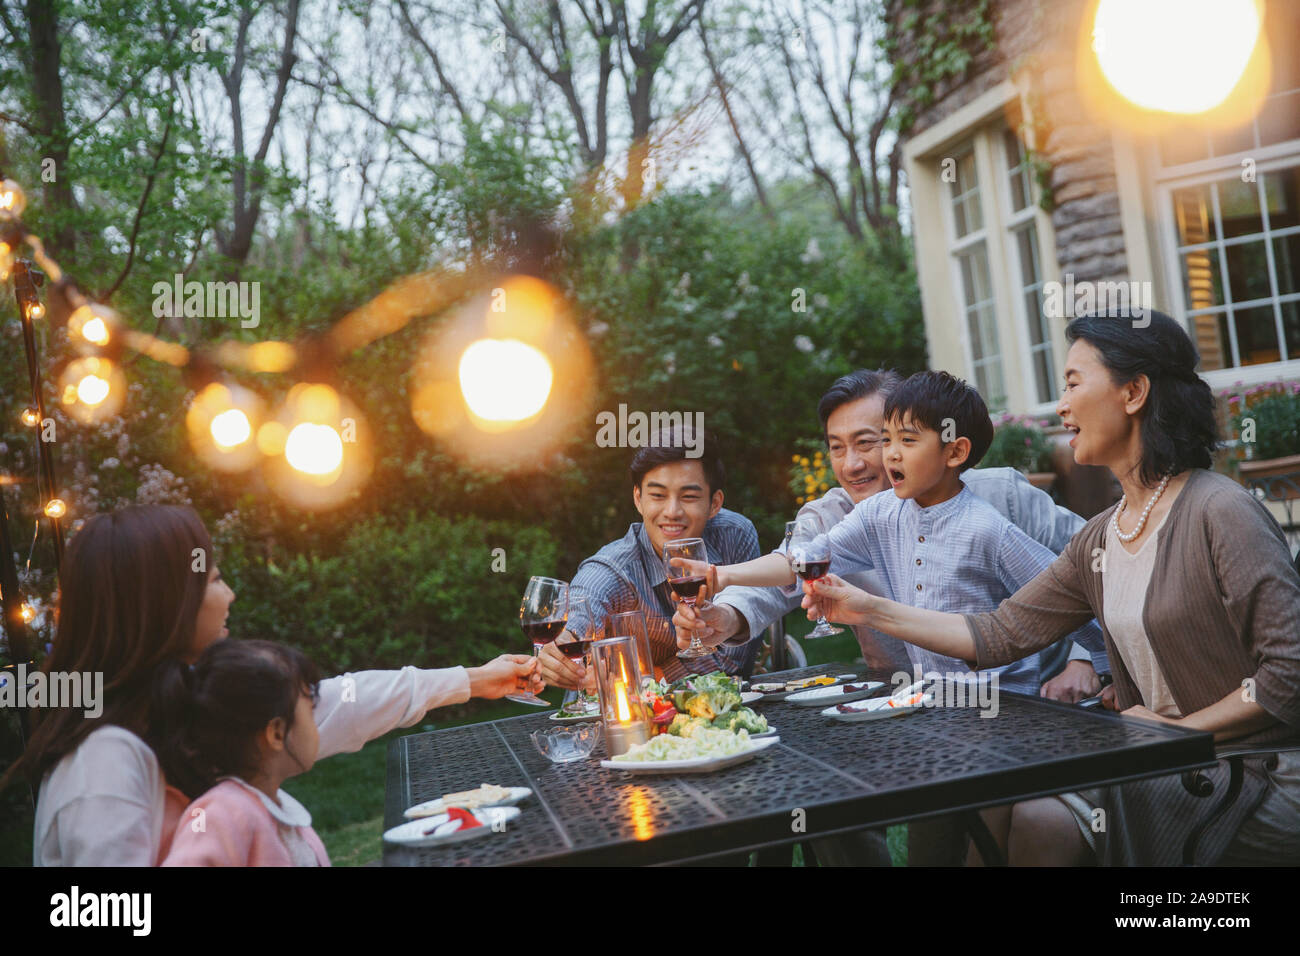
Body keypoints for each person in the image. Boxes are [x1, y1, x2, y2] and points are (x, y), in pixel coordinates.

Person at [800, 311, 1300, 865]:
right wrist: (868, 609)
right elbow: (1001, 632)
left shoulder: (1221, 510)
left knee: (1029, 813)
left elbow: (1289, 672)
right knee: (1013, 810)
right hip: (1158, 758)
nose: (1061, 406)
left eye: (1073, 383)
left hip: (1251, 774)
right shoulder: (1102, 536)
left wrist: (1177, 730)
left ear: (1134, 392)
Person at [1, 504, 543, 865]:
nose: (230, 593)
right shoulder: (105, 761)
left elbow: (336, 704)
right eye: (213, 578)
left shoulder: (190, 700)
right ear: (161, 603)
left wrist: (471, 680)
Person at [672, 367, 1107, 702]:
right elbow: (795, 561)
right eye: (837, 447)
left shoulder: (995, 507)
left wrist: (1093, 663)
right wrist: (722, 588)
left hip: (1021, 703)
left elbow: (1091, 578)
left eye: (872, 442)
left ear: (951, 448)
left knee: (1020, 814)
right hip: (923, 705)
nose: (853, 464)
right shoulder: (862, 513)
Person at [537, 426, 761, 691]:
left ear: (714, 503)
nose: (672, 511)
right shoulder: (617, 567)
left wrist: (649, 678)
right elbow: (589, 594)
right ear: (638, 499)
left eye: (689, 497)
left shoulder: (734, 536)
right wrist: (564, 641)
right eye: (658, 495)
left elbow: (731, 661)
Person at [159, 640, 329, 866]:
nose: (315, 721)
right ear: (276, 733)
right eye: (310, 709)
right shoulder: (224, 814)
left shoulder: (272, 806)